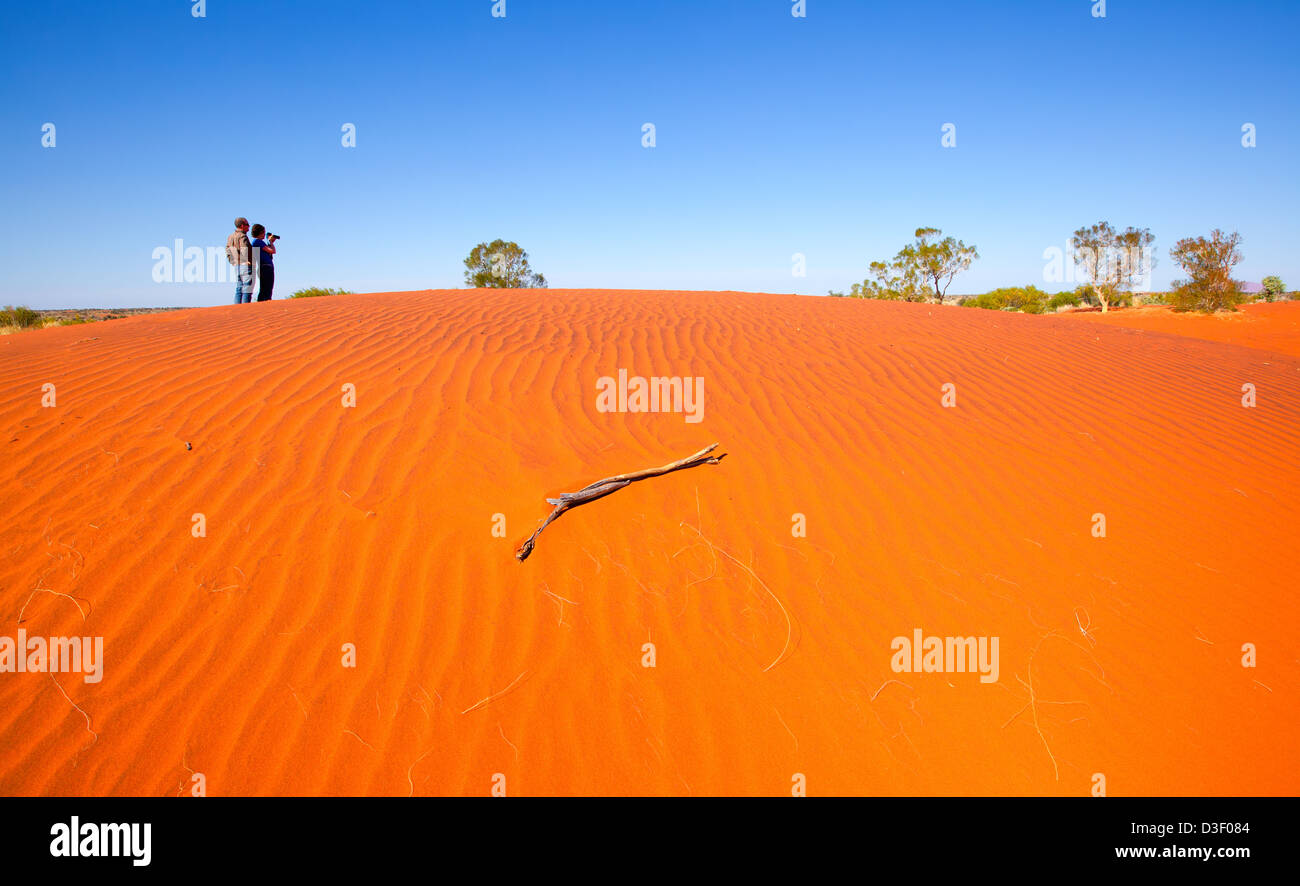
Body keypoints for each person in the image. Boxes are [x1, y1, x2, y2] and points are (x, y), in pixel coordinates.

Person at [225, 218, 254, 304]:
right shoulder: (242, 236)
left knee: (239, 287)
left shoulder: (230, 236)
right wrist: (245, 260)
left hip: (237, 265)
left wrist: (232, 261)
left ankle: (237, 308)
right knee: (247, 287)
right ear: (242, 225)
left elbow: (227, 249)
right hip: (244, 264)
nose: (249, 226)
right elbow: (244, 248)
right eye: (247, 224)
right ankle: (245, 308)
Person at [250, 224, 278, 301]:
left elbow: (269, 252)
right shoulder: (257, 241)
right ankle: (263, 305)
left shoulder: (258, 242)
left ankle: (264, 303)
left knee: (266, 288)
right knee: (266, 289)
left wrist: (270, 242)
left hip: (265, 266)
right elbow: (272, 251)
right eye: (263, 232)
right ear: (260, 232)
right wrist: (270, 242)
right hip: (265, 267)